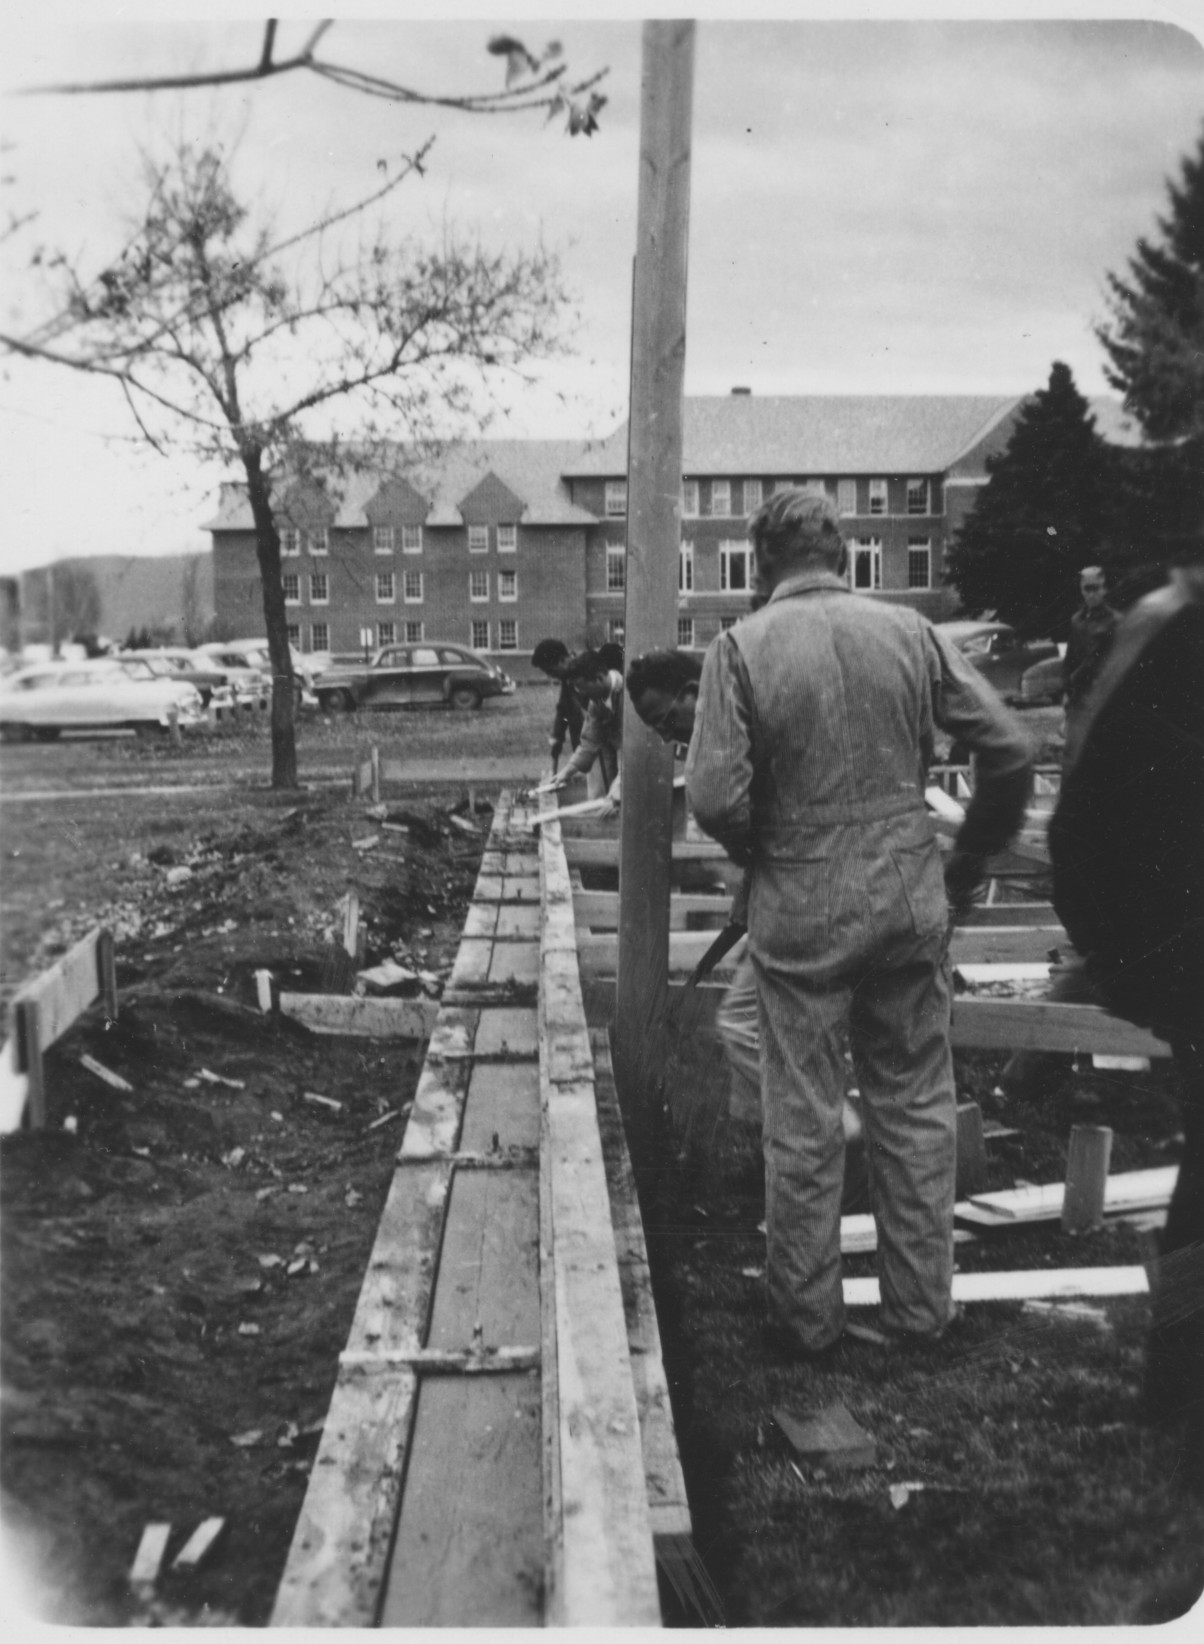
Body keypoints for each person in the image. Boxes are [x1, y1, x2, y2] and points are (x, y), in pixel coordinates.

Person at [685, 489, 1033, 1358]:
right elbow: (1010, 748)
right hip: (907, 895)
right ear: (841, 554)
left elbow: (715, 796)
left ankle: (807, 1322)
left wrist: (768, 850)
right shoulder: (911, 633)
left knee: (802, 1113)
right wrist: (965, 865)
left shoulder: (740, 648)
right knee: (914, 1104)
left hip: (801, 908)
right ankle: (921, 1311)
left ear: (763, 561)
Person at [1048, 549, 1204, 1474]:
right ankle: (1179, 1382)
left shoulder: (1165, 625)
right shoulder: (1168, 629)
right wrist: (1132, 961)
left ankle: (1177, 1381)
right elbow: (1087, 822)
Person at [627, 646, 869, 1214]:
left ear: (693, 693)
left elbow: (747, 816)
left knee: (741, 1024)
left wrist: (755, 876)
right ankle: (777, 1155)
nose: (665, 734)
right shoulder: (742, 723)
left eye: (665, 718)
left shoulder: (738, 733)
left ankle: (843, 1136)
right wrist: (748, 891)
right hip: (797, 889)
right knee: (768, 1025)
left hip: (808, 895)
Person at [548, 648, 624, 801]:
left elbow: (634, 753)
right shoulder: (596, 703)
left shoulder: (628, 696)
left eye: (582, 687)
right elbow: (589, 742)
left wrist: (619, 788)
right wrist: (566, 773)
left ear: (599, 678)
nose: (581, 693)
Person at [1062, 565, 1119, 764]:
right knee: (1075, 755)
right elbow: (1069, 659)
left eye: (1096, 588)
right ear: (1081, 590)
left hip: (1101, 699)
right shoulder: (1076, 620)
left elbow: (1104, 662)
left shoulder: (1114, 621)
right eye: (1087, 589)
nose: (1092, 594)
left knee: (1101, 755)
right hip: (1077, 699)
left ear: (1104, 588)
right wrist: (1066, 692)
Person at [531, 637, 584, 775]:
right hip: (583, 751)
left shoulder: (585, 674)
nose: (551, 676)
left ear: (562, 660)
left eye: (551, 671)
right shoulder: (567, 678)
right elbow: (562, 711)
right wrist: (556, 740)